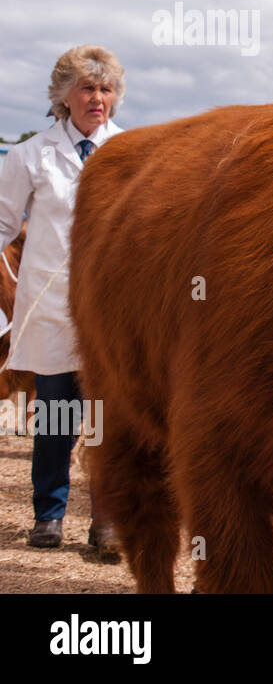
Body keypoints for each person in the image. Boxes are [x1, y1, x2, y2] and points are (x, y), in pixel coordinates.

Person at [0, 45, 125, 553]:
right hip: (53, 306)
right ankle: (48, 514)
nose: (98, 98)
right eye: (87, 88)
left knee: (108, 416)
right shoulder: (30, 154)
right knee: (55, 413)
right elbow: (4, 224)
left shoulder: (131, 151)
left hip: (113, 307)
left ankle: (107, 522)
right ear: (64, 97)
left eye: (106, 88)